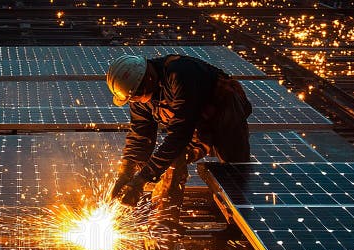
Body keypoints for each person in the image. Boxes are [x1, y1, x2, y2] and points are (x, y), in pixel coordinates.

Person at [106, 54, 252, 233]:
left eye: (137, 97)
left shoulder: (180, 75)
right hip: (192, 121)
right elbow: (140, 138)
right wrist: (126, 173)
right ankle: (164, 222)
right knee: (171, 161)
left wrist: (141, 179)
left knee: (233, 169)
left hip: (224, 112)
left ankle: (242, 223)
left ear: (149, 79)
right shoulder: (137, 95)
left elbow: (180, 135)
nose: (136, 102)